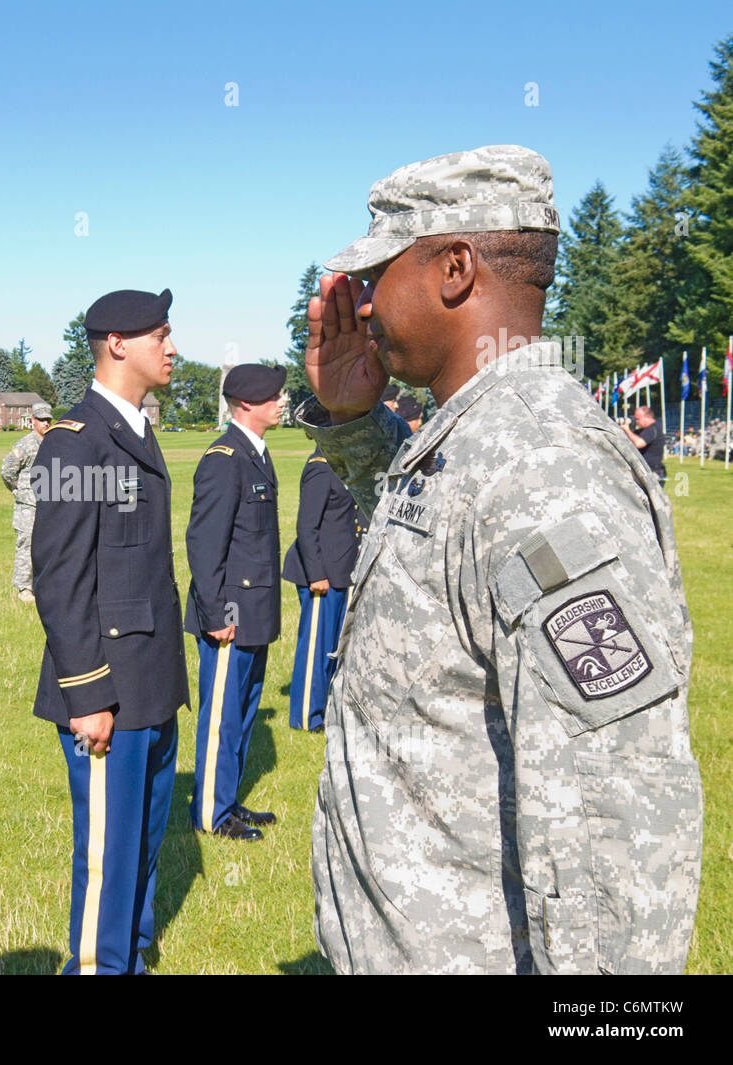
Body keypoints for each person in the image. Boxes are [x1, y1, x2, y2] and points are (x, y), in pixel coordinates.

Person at [300, 144, 702, 974]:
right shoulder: (477, 434)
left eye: (379, 275)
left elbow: (613, 817)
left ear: (454, 268)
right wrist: (351, 424)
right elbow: (444, 563)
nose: (364, 307)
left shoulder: (542, 464)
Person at [30, 287, 188, 974]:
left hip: (150, 685)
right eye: (161, 335)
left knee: (143, 844)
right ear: (118, 345)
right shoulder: (76, 442)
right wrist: (87, 692)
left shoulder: (137, 431)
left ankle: (131, 959)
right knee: (106, 852)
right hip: (108, 694)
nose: (173, 346)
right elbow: (58, 577)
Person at [184, 363, 286, 841]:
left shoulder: (255, 454)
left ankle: (225, 797)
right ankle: (210, 812)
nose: (282, 402)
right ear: (246, 404)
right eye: (273, 396)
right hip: (230, 613)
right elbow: (205, 544)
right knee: (222, 716)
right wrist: (216, 613)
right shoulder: (225, 459)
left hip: (255, 611)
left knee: (243, 711)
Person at [281, 441, 364, 731]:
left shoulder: (343, 466)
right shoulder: (321, 469)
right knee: (316, 648)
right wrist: (317, 574)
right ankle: (306, 716)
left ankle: (326, 707)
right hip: (322, 576)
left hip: (342, 570)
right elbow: (306, 526)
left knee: (333, 647)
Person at [0, 401, 52, 602]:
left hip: (48, 505)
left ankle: (42, 585)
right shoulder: (24, 445)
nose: (45, 423)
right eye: (41, 420)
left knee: (46, 546)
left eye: (48, 419)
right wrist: (18, 490)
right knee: (26, 544)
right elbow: (7, 470)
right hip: (27, 506)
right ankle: (24, 588)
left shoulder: (52, 443)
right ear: (33, 421)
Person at [621, 405, 667, 485]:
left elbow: (639, 443)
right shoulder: (645, 429)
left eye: (637, 419)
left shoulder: (653, 429)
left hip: (653, 472)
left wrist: (627, 430)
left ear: (647, 417)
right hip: (647, 470)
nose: (636, 421)